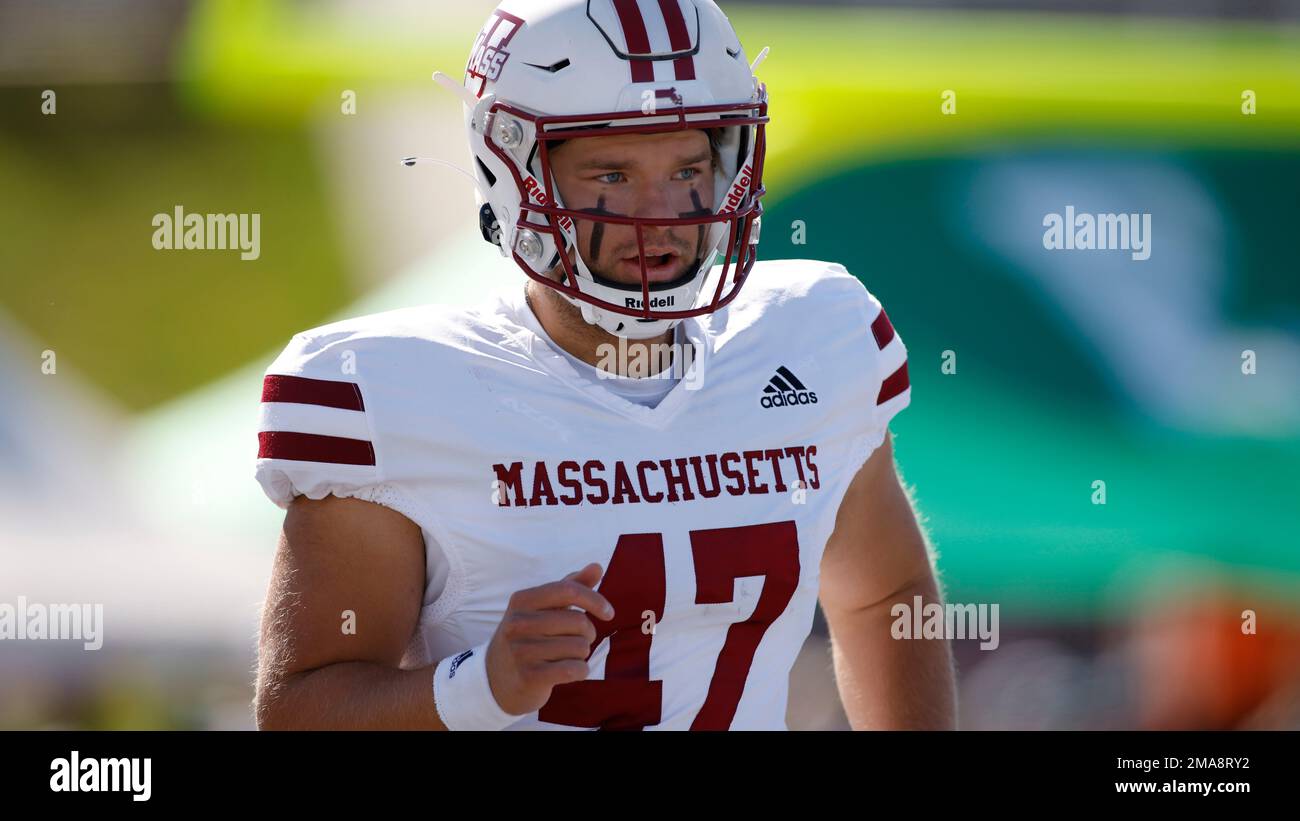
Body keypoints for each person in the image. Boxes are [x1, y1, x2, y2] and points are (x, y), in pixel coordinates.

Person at [252, 0, 954, 730]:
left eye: (687, 166)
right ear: (515, 169)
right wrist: (478, 686)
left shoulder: (813, 338)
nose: (658, 210)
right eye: (611, 174)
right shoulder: (389, 392)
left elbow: (886, 594)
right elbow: (298, 711)